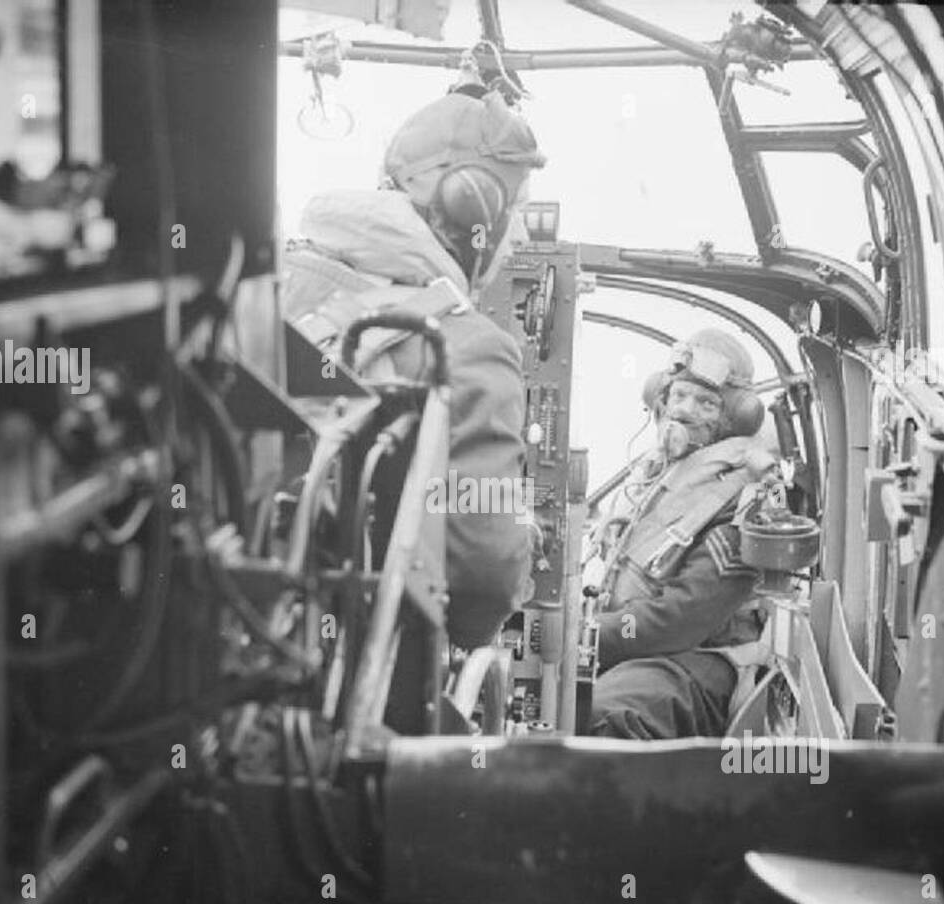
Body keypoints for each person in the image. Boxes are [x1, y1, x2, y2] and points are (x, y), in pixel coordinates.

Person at [279, 85, 545, 716]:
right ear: (476, 208)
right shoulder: (470, 347)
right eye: (516, 215)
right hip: (344, 708)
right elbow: (482, 580)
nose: (515, 244)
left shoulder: (267, 283)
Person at [586, 328, 777, 740]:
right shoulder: (659, 472)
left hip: (701, 659)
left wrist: (587, 637)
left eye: (705, 403)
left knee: (606, 711)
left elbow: (683, 619)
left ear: (734, 418)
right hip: (641, 649)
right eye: (678, 396)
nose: (684, 411)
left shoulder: (745, 496)